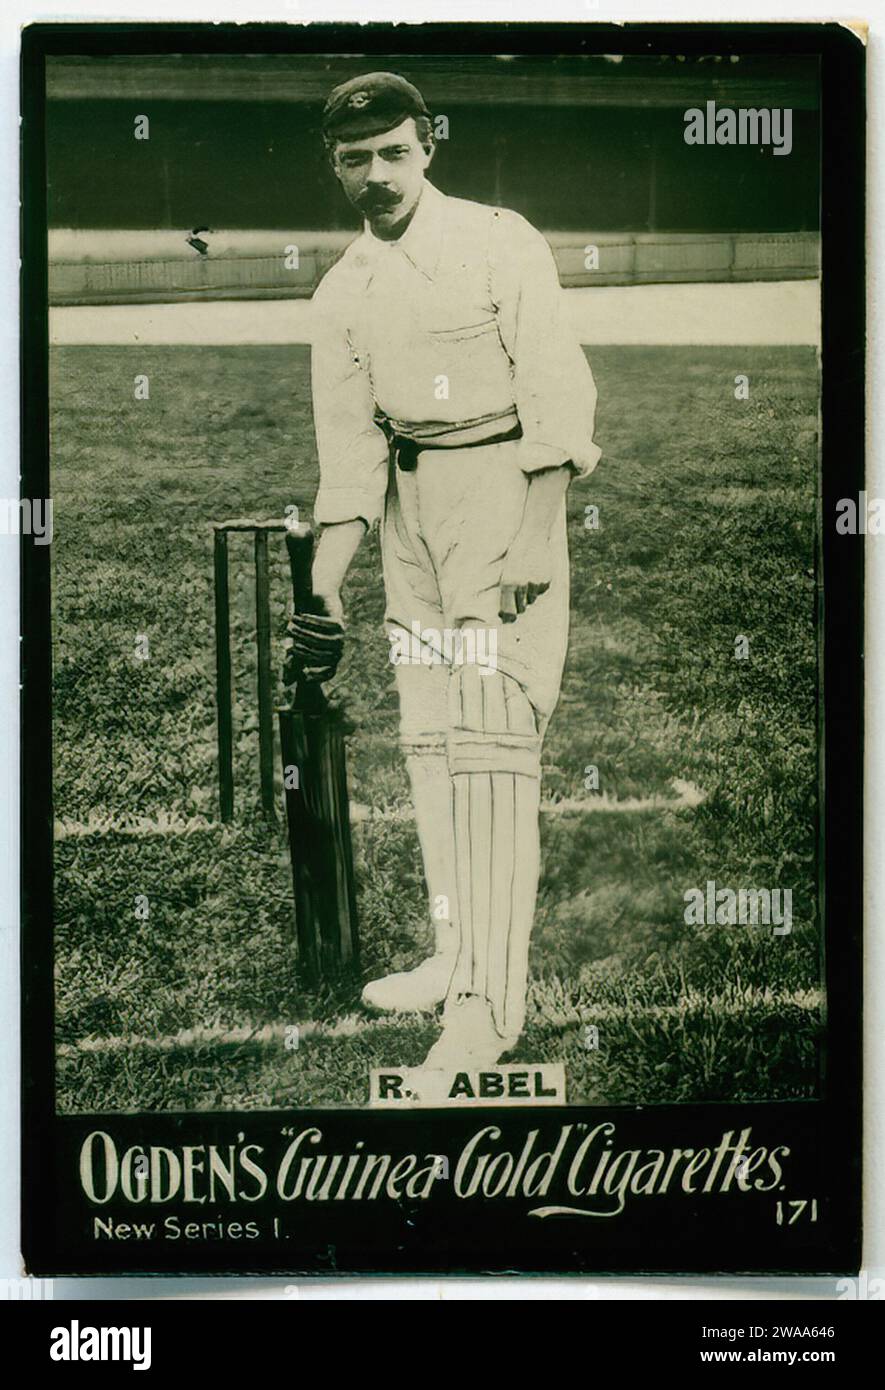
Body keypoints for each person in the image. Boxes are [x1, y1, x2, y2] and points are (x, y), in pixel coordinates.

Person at [287, 72, 601, 1067]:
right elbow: (350, 464)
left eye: (393, 152)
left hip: (501, 494)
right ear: (333, 165)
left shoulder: (499, 239)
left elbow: (555, 392)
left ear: (431, 143)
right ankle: (452, 948)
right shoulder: (342, 291)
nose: (376, 175)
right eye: (354, 159)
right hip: (407, 517)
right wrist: (327, 584)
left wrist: (533, 538)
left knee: (493, 741)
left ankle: (484, 1017)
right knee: (429, 742)